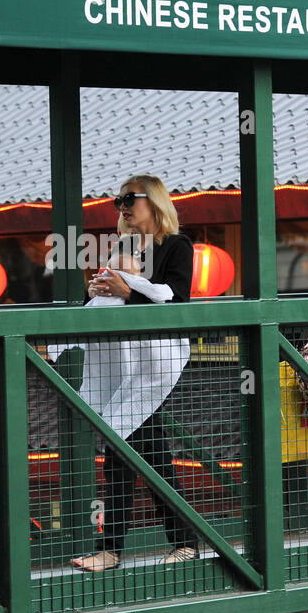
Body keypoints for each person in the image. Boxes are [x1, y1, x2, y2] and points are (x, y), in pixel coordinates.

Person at [69, 176, 198, 571]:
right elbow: (107, 295)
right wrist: (95, 291)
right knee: (147, 452)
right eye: (118, 200)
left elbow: (177, 294)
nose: (121, 206)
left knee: (123, 446)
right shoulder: (123, 246)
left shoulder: (177, 245)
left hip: (156, 363)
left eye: (129, 199)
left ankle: (112, 549)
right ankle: (183, 541)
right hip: (124, 365)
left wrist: (128, 291)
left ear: (154, 201)